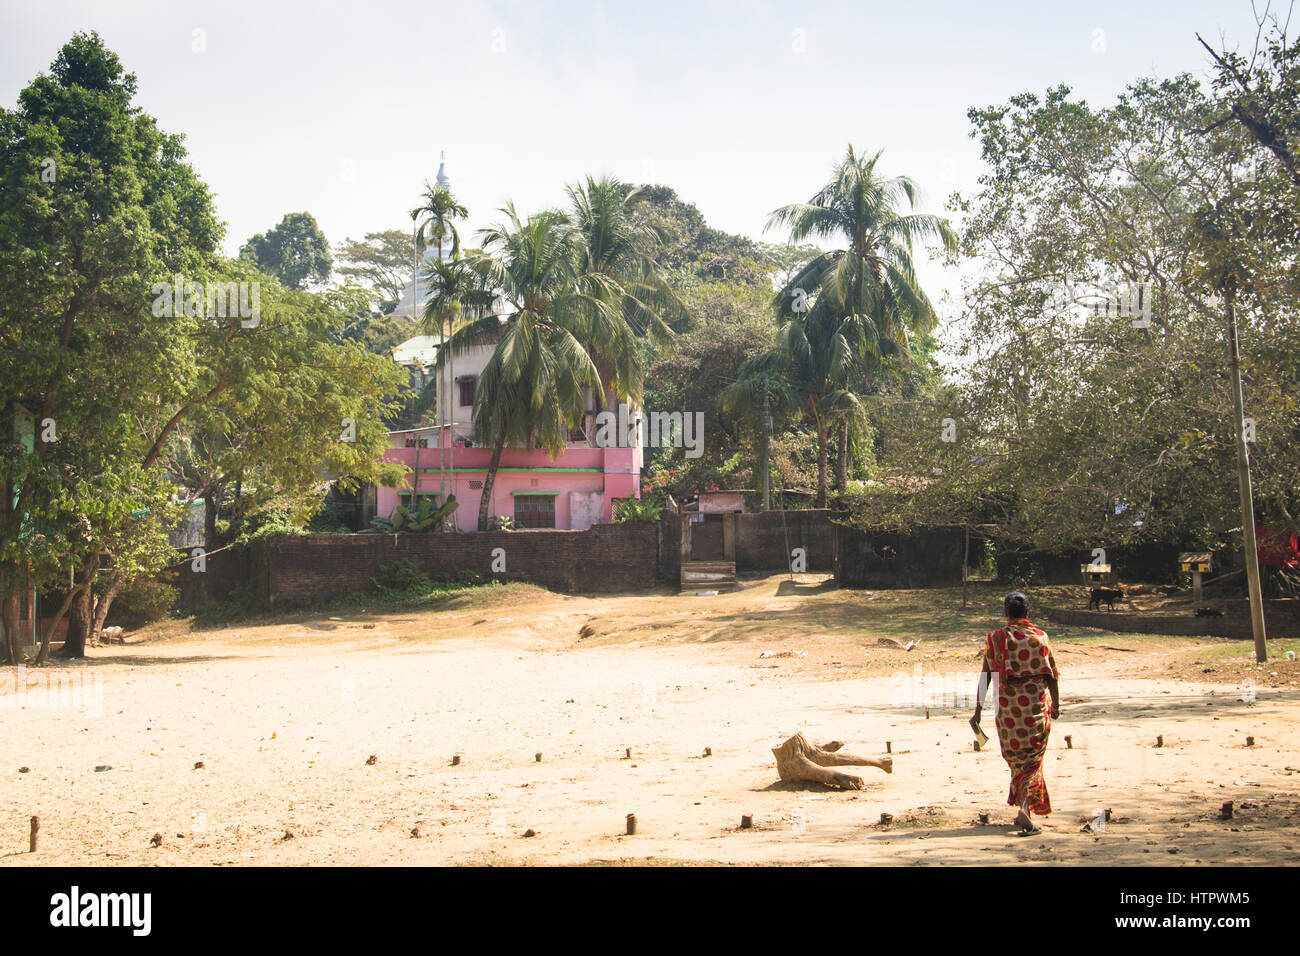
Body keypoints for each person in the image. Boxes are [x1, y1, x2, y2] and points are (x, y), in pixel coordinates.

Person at [971, 591, 1060, 834]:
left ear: (1006, 613)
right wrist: (1058, 704)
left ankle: (1025, 808)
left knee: (1018, 762)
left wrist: (978, 710)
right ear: (1028, 613)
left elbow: (985, 676)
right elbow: (1051, 675)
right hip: (1035, 709)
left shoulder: (996, 639)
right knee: (1033, 761)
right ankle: (1024, 806)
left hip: (1008, 714)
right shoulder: (1041, 638)